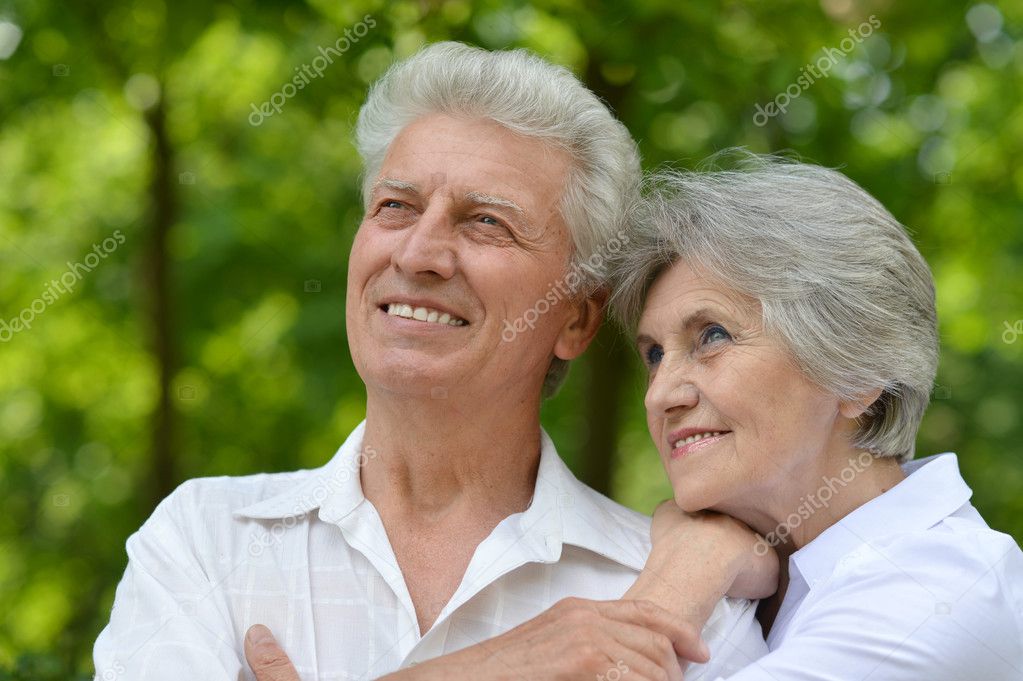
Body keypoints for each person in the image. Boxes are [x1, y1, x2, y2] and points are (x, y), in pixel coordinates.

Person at [93, 44, 772, 681]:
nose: (418, 253)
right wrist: (495, 666)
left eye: (485, 222)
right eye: (395, 206)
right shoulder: (204, 540)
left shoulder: (687, 609)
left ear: (575, 317)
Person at [609, 153, 1023, 679]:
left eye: (713, 335)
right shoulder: (763, 574)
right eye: (654, 355)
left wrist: (680, 577)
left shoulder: (938, 589)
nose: (659, 394)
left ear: (856, 371)